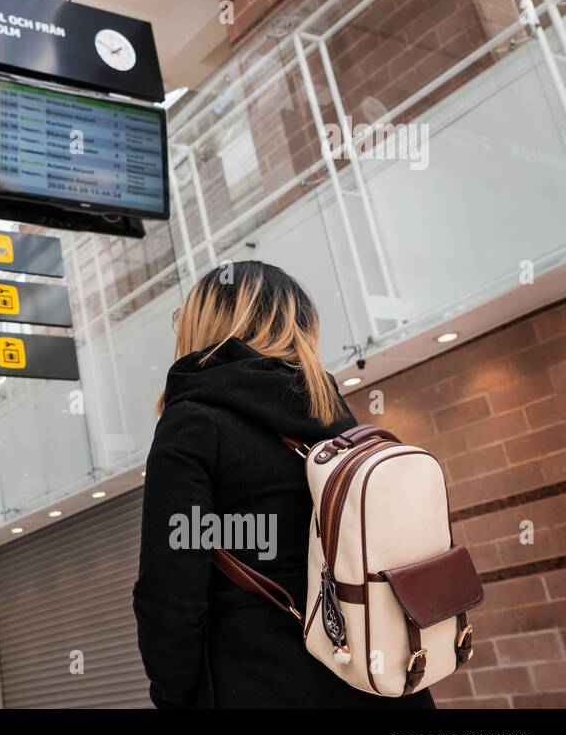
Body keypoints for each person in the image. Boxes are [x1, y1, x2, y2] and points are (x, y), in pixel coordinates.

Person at [132, 261, 434, 708]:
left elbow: (170, 593)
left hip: (263, 680)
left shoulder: (194, 422)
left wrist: (177, 698)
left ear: (203, 323)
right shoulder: (335, 419)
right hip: (380, 677)